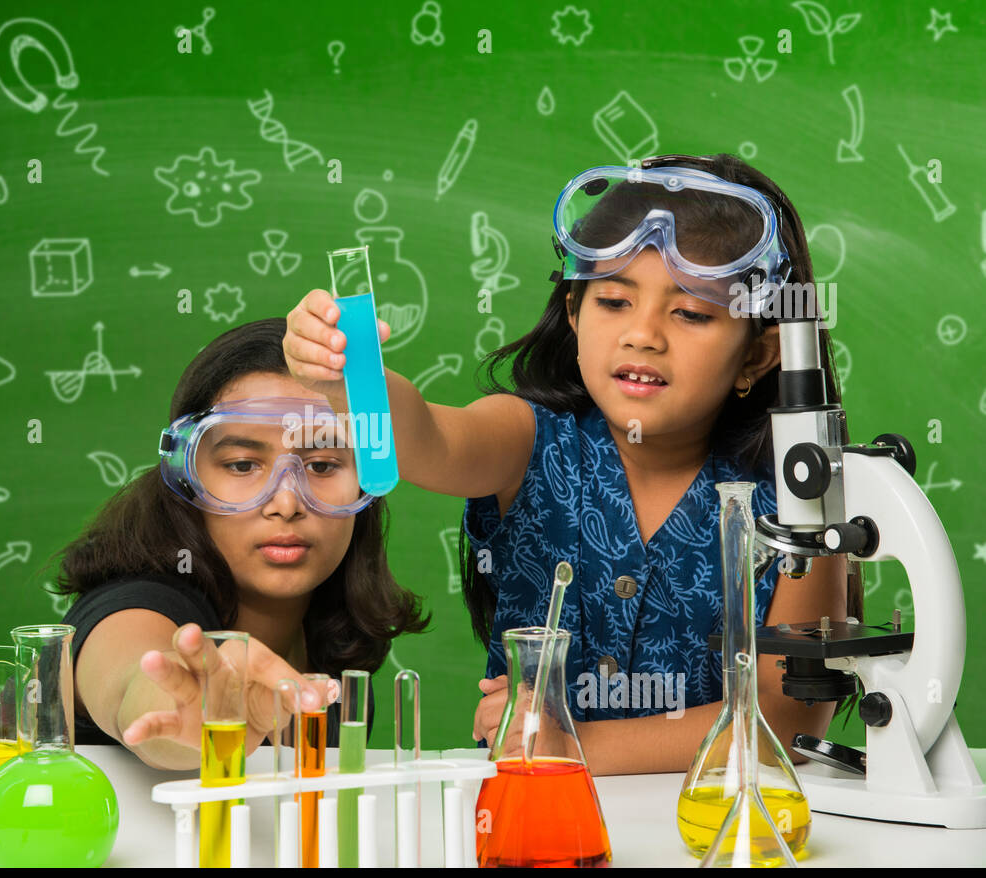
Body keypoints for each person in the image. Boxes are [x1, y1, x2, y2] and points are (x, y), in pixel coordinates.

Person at [284, 153, 857, 775]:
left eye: (691, 313)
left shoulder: (804, 503)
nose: (644, 335)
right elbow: (427, 437)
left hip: (713, 834)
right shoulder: (526, 439)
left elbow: (788, 722)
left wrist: (574, 746)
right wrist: (348, 377)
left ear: (757, 357)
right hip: (532, 823)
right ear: (574, 312)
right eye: (613, 301)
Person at [52, 317, 429, 770]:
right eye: (242, 465)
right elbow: (135, 682)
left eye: (324, 465)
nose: (286, 502)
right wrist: (187, 708)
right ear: (186, 476)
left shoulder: (336, 651)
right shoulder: (135, 605)